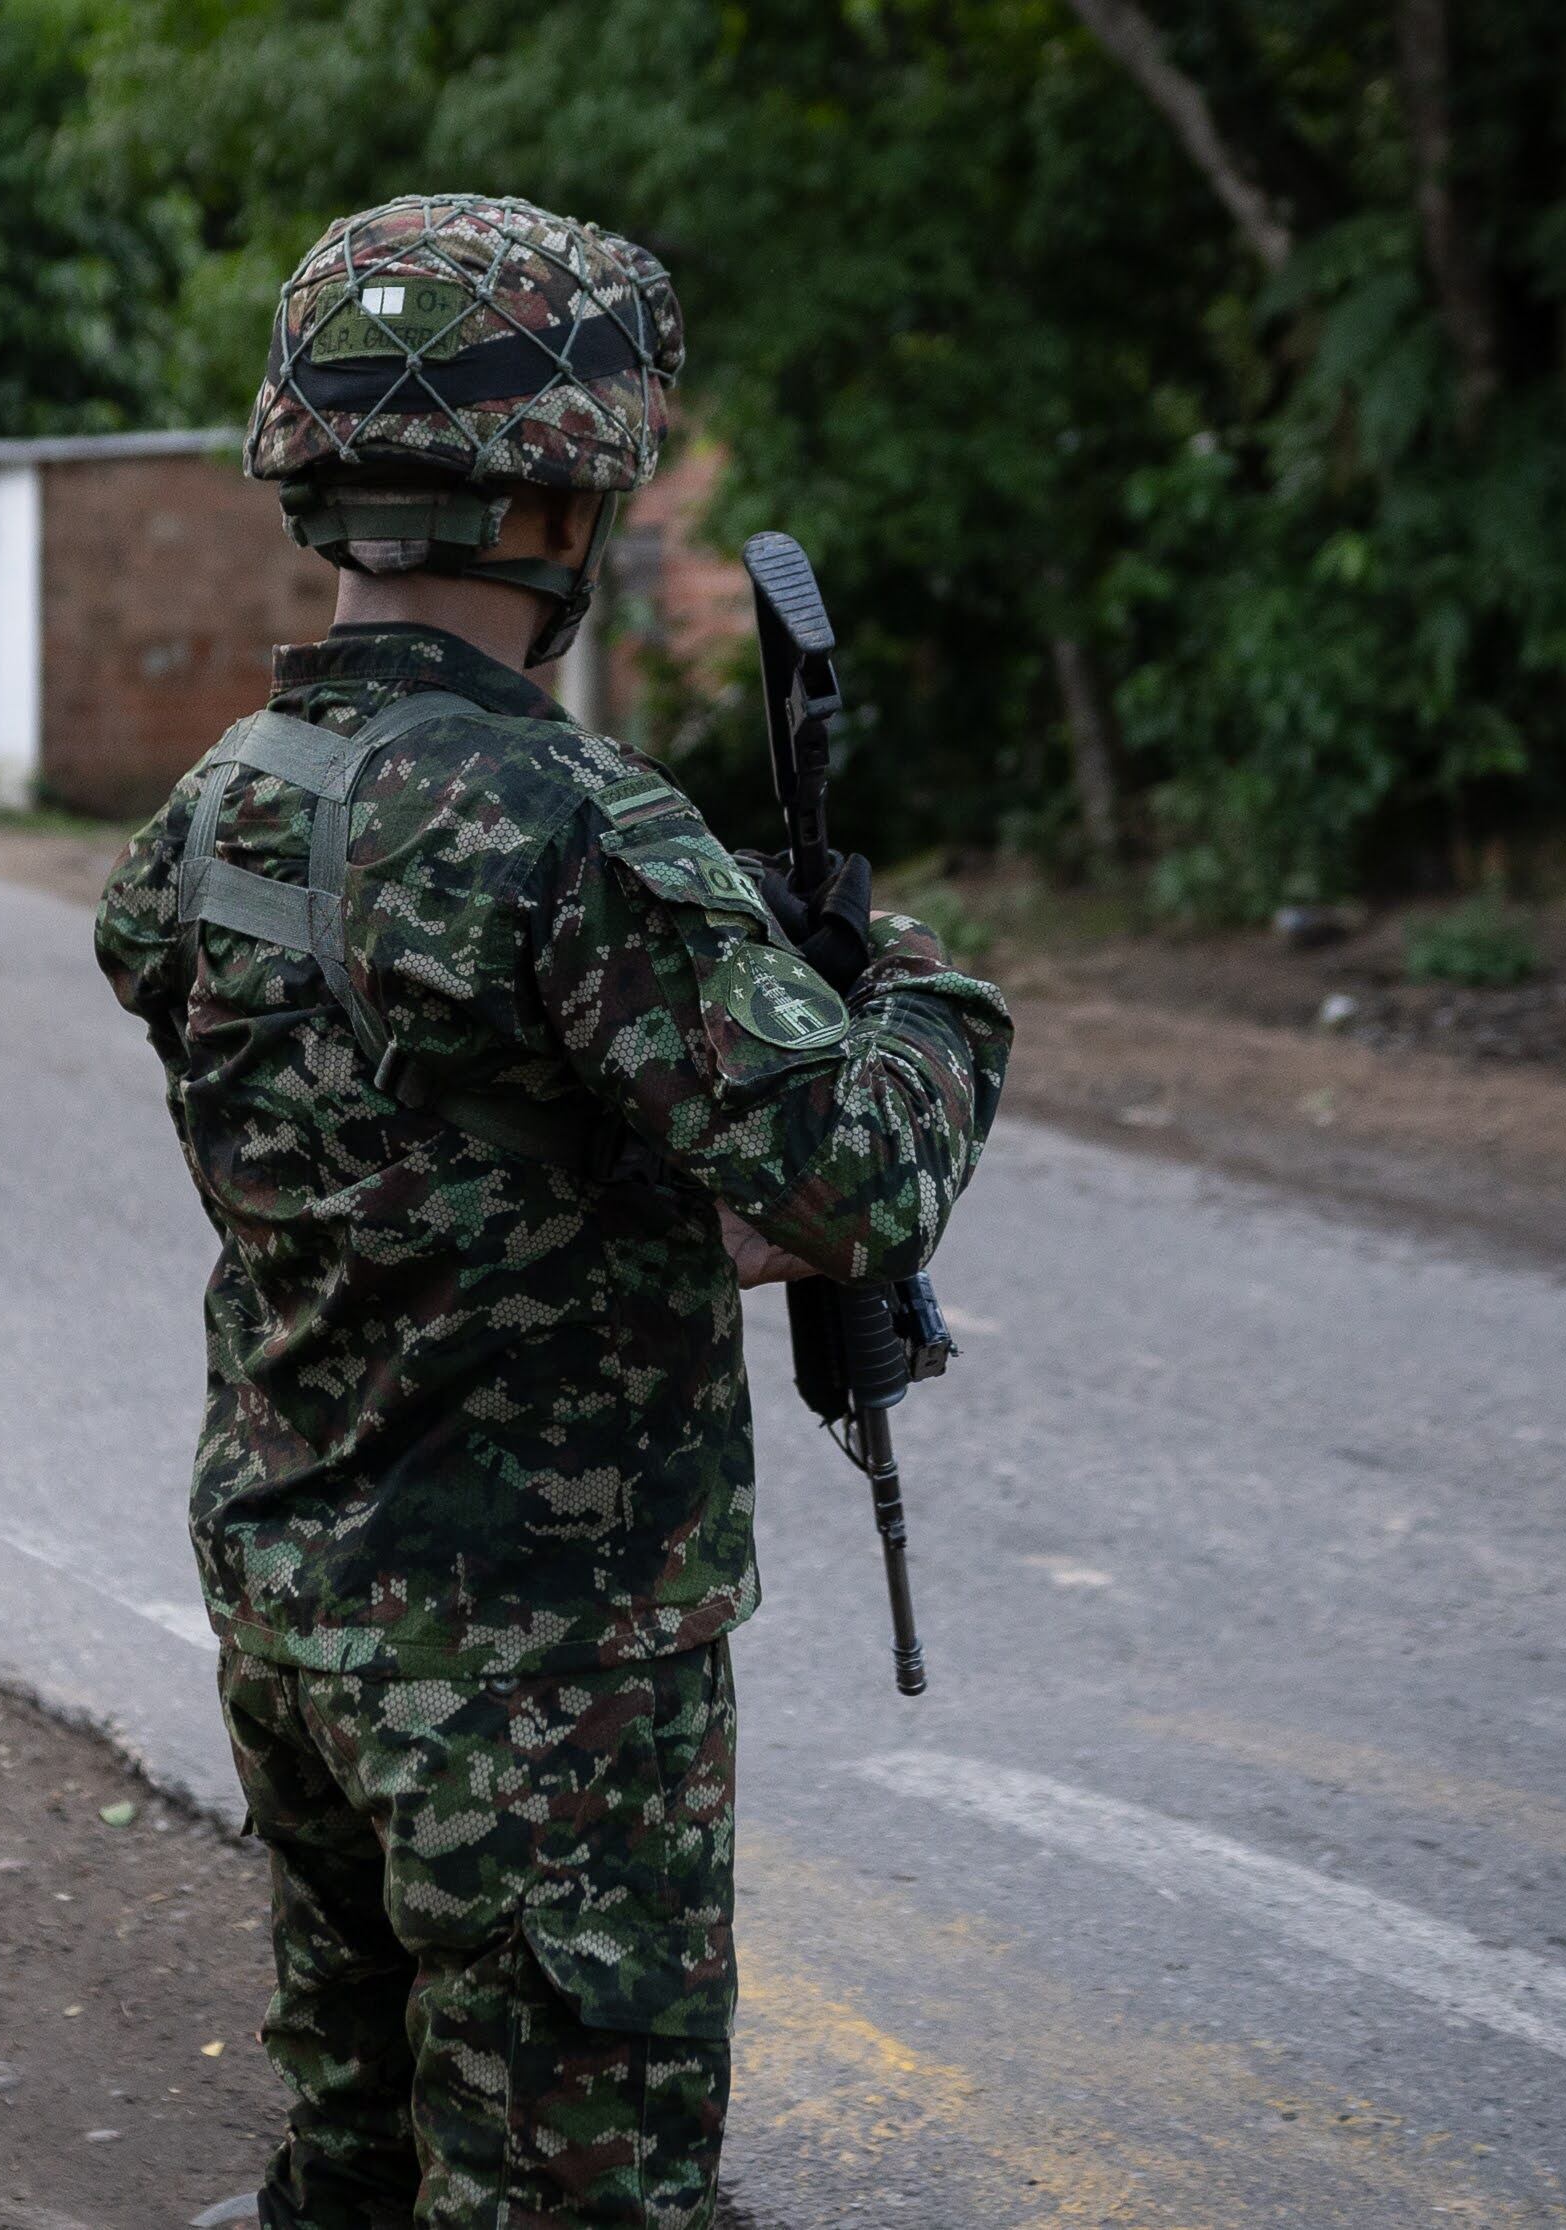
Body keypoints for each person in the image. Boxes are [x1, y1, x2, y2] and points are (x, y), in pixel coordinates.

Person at [93, 196, 1014, 2226]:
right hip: (539, 1680)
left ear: (315, 475)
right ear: (562, 502)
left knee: (355, 2149)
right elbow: (851, 1175)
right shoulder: (574, 826)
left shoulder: (215, 802)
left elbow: (362, 1117)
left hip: (299, 1613)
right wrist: (929, 995)